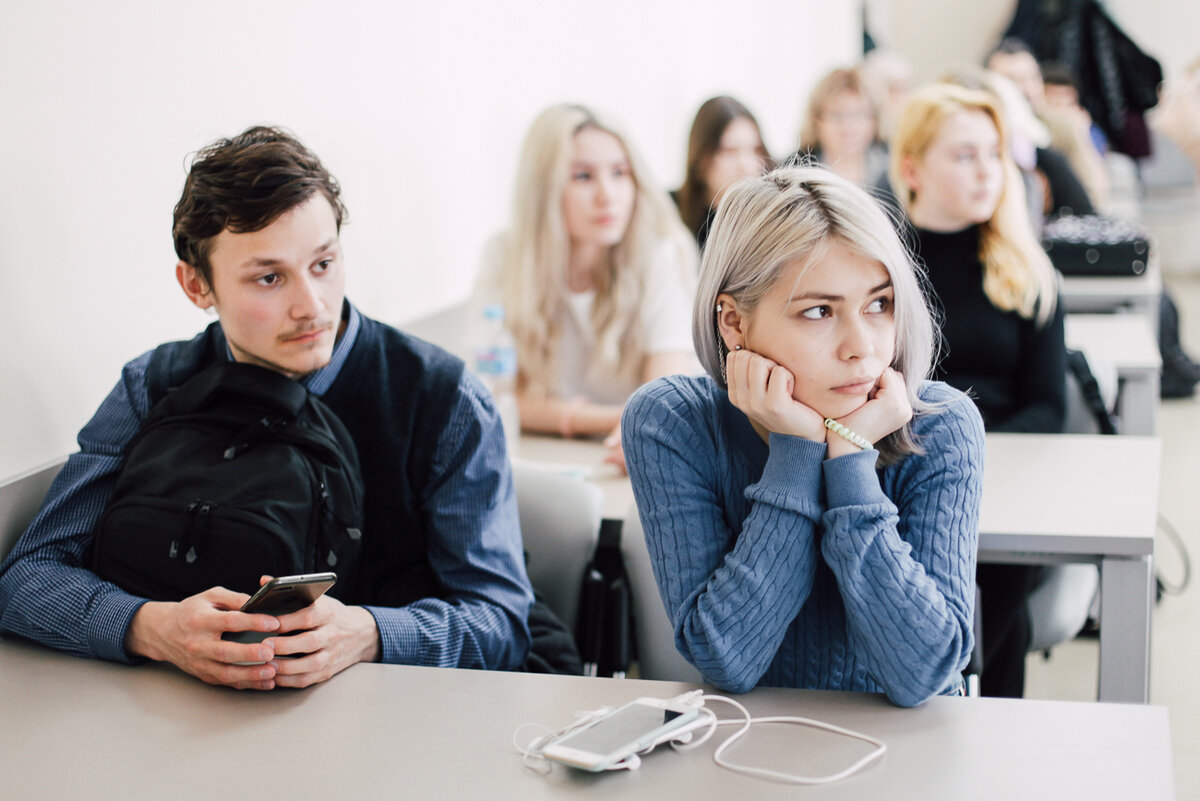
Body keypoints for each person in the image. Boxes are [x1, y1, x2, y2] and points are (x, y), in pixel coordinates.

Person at [0, 126, 535, 690]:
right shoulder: (151, 387)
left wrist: (369, 634)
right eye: (270, 278)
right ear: (196, 286)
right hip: (185, 730)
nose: (311, 307)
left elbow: (499, 621)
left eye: (323, 265)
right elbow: (26, 580)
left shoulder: (443, 399)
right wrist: (150, 626)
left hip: (397, 728)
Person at [622, 165, 984, 708]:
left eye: (879, 304)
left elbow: (925, 674)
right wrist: (797, 453)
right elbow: (728, 659)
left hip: (911, 759)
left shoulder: (941, 423)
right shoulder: (671, 422)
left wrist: (852, 464)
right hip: (747, 751)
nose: (861, 346)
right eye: (819, 311)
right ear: (733, 324)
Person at [890, 83, 1066, 698]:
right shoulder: (880, 270)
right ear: (912, 167)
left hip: (1004, 478)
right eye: (965, 155)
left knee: (998, 591)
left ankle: (969, 706)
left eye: (994, 153)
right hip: (901, 466)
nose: (987, 170)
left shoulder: (1024, 269)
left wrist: (970, 453)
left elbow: (1048, 406)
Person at [474, 104, 699, 471]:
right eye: (582, 177)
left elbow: (661, 406)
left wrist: (620, 422)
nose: (607, 195)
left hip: (638, 462)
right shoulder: (504, 256)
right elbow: (494, 395)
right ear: (544, 188)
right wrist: (609, 418)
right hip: (550, 459)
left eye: (619, 173)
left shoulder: (660, 256)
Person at [674, 96, 774, 249]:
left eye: (755, 150)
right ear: (701, 158)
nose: (747, 165)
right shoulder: (672, 216)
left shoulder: (771, 221)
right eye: (730, 151)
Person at [796, 67, 889, 190]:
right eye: (836, 115)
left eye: (858, 115)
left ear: (875, 119)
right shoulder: (794, 174)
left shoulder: (894, 173)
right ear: (816, 120)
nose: (847, 127)